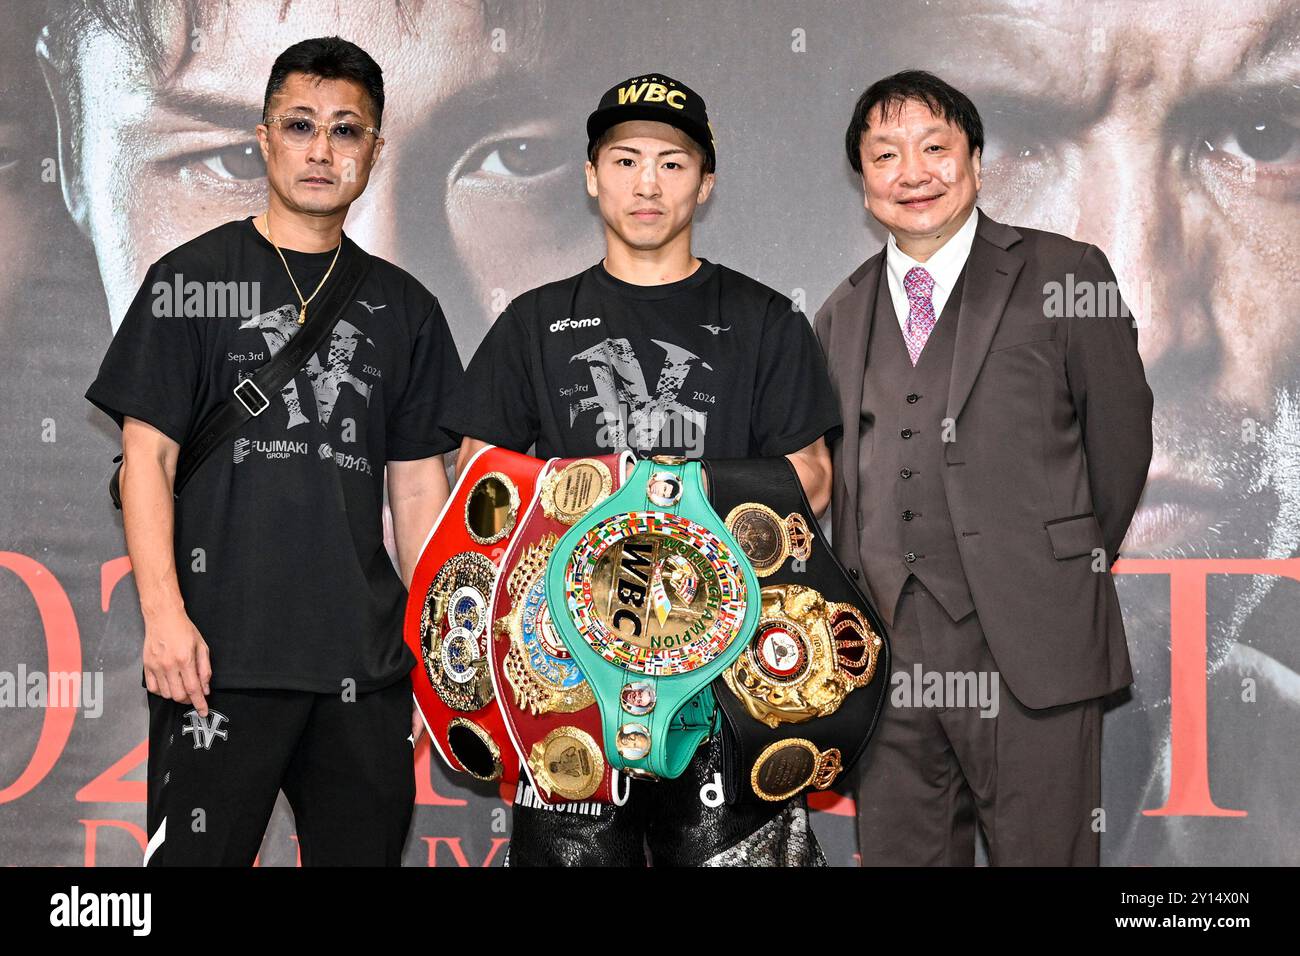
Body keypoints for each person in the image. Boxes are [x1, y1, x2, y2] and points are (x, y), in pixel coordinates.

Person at [84, 36, 463, 866]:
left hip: (363, 667)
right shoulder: (189, 281)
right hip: (215, 660)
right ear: (263, 139)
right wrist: (165, 619)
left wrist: (434, 641)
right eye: (299, 126)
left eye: (346, 130)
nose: (321, 151)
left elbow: (416, 491)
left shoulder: (407, 308)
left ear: (374, 149)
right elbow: (145, 463)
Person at [444, 73, 840, 866]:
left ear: (706, 181)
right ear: (592, 178)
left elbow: (812, 477)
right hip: (565, 676)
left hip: (726, 678)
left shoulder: (764, 319)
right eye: (625, 160)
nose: (648, 182)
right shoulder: (534, 321)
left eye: (672, 161)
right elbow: (479, 484)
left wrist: (679, 524)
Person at [815, 70, 1153, 865]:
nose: (913, 173)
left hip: (1033, 642)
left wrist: (1051, 563)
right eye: (886, 154)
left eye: (935, 147)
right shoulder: (839, 310)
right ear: (863, 183)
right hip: (886, 655)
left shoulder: (1067, 273)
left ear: (975, 159)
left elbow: (1121, 442)